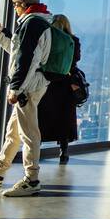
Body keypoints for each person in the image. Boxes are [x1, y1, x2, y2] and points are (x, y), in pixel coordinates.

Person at [0, 0, 60, 197]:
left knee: (28, 133)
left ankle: (32, 179)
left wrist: (16, 88)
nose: (15, 9)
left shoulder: (32, 24)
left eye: (15, 5)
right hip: (32, 84)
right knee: (13, 133)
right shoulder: (38, 22)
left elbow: (26, 60)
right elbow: (17, 51)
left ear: (23, 4)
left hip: (28, 87)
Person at [37, 13, 81, 165]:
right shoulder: (73, 41)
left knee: (42, 116)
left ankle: (35, 150)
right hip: (66, 84)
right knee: (64, 119)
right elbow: (75, 60)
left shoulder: (49, 39)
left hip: (48, 82)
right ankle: (63, 152)